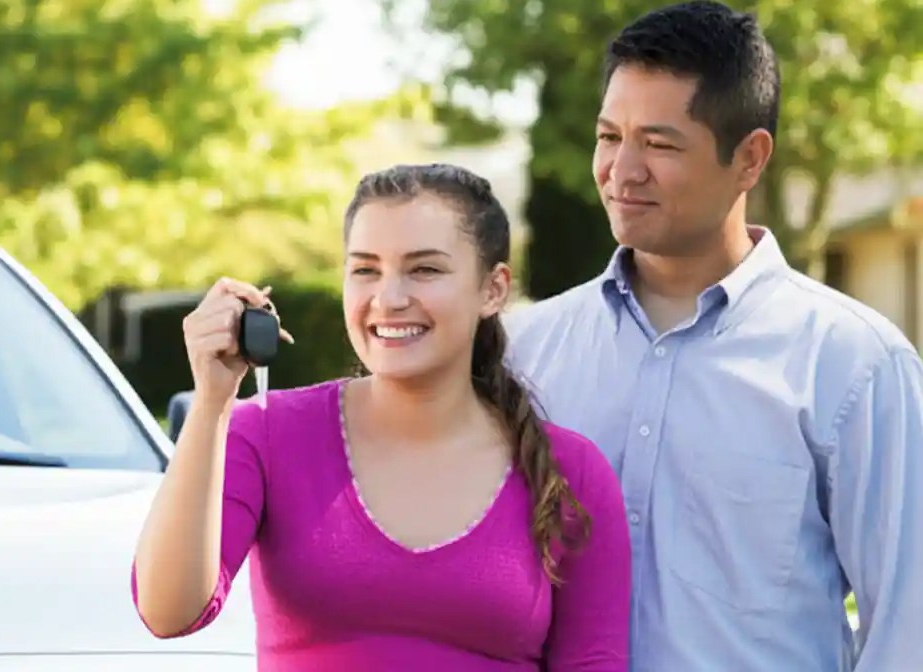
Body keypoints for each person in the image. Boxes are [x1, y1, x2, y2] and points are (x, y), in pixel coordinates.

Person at [504, 0, 923, 671]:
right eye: (609, 136)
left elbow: (909, 630)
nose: (622, 171)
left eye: (660, 143)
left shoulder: (855, 367)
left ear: (750, 158)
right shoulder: (523, 351)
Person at [132, 163, 631, 670]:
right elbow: (168, 611)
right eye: (365, 269)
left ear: (493, 290)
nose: (388, 299)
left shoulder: (570, 472)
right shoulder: (265, 432)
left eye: (425, 269)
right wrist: (212, 405)